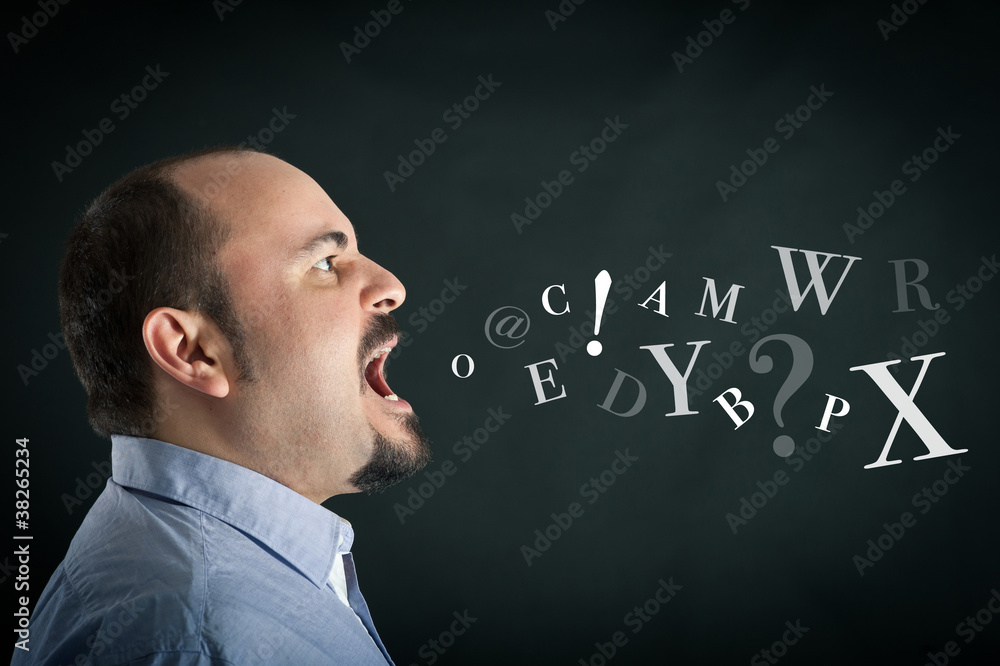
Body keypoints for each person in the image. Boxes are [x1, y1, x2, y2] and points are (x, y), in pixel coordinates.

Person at [15, 146, 431, 665]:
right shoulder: (201, 640)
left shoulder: (189, 581)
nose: (392, 287)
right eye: (326, 262)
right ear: (194, 352)